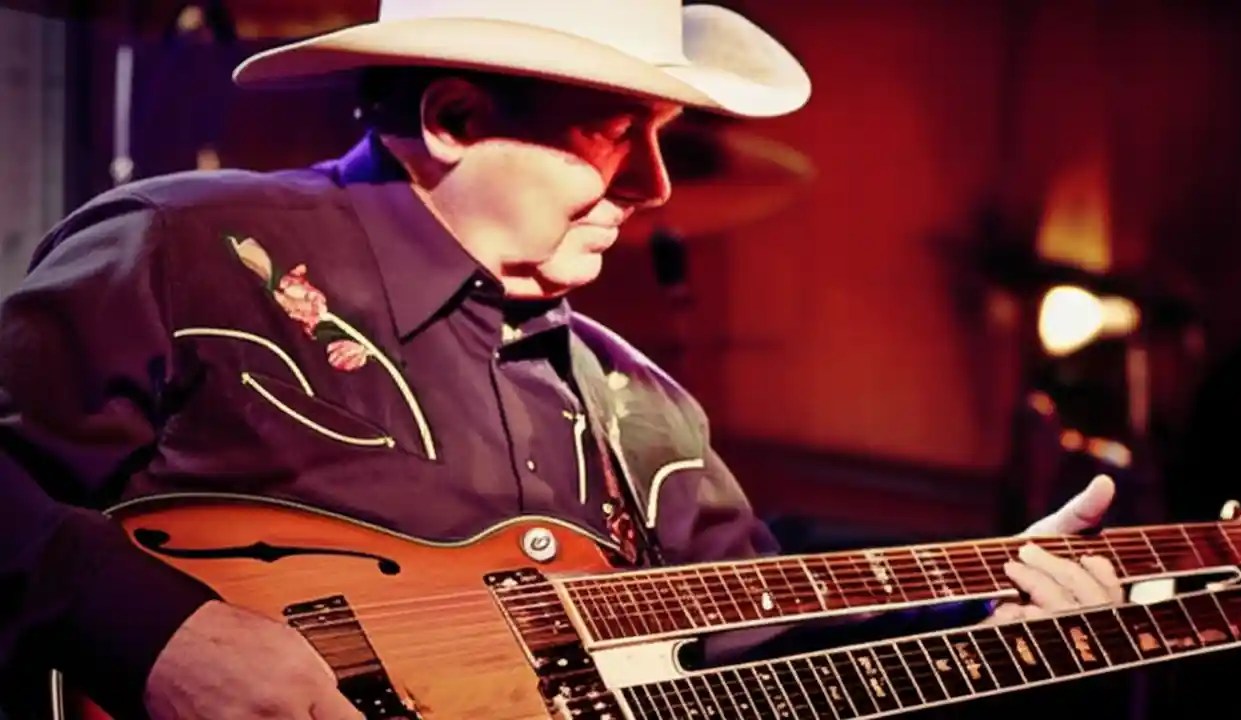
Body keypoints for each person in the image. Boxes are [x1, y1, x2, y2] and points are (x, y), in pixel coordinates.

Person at [0, 2, 1124, 718]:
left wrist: (983, 614)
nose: (657, 187)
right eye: (612, 130)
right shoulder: (189, 249)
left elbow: (754, 645)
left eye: (662, 137)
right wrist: (159, 635)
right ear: (450, 116)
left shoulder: (647, 409)